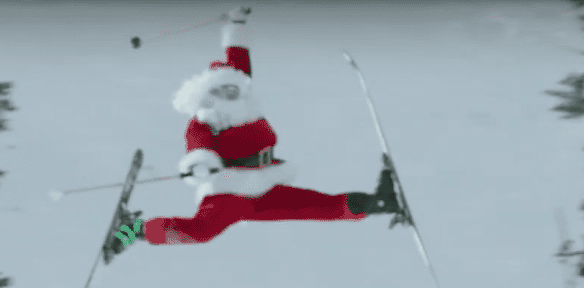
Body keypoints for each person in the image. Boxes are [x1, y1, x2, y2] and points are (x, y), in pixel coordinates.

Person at [112, 6, 402, 254]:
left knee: (319, 206)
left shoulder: (245, 104)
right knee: (201, 232)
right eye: (222, 90)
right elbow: (198, 146)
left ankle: (380, 202)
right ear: (208, 94)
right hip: (229, 193)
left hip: (263, 183)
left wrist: (237, 25)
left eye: (233, 88)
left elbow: (239, 68)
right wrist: (200, 164)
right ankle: (135, 230)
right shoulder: (206, 120)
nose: (230, 93)